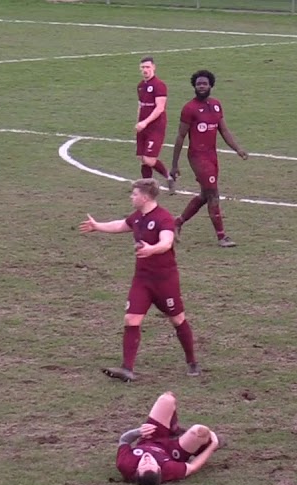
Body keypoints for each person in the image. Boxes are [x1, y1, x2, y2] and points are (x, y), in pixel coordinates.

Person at [79, 178, 199, 382]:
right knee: (131, 319)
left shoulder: (164, 218)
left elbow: (167, 242)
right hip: (142, 280)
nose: (131, 197)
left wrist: (151, 249)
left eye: (134, 194)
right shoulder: (138, 217)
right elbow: (120, 225)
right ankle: (127, 368)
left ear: (144, 197)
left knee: (177, 319)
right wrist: (97, 226)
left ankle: (192, 362)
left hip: (164, 281)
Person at [169, 69, 248, 248]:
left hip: (212, 156)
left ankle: (178, 222)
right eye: (198, 84)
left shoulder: (216, 105)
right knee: (213, 193)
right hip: (197, 156)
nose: (201, 86)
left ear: (211, 85)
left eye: (204, 83)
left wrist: (238, 149)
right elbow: (180, 136)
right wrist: (174, 165)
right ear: (194, 87)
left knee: (206, 194)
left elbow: (224, 130)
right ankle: (222, 236)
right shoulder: (189, 108)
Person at [115, 391, 221, 485]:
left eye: (143, 464)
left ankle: (173, 430)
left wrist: (138, 432)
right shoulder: (169, 469)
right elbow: (193, 467)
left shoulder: (125, 464)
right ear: (159, 469)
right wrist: (212, 446)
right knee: (200, 431)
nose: (147, 459)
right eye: (151, 463)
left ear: (137, 470)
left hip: (150, 438)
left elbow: (124, 440)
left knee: (167, 398)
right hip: (173, 451)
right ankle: (204, 445)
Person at [135, 56, 171, 184]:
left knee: (149, 159)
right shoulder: (140, 86)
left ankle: (169, 177)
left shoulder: (159, 85)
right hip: (143, 126)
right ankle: (147, 186)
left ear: (153, 67)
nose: (145, 70)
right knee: (141, 157)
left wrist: (145, 122)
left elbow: (160, 108)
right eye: (143, 67)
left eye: (148, 67)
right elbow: (141, 105)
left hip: (155, 127)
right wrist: (138, 122)